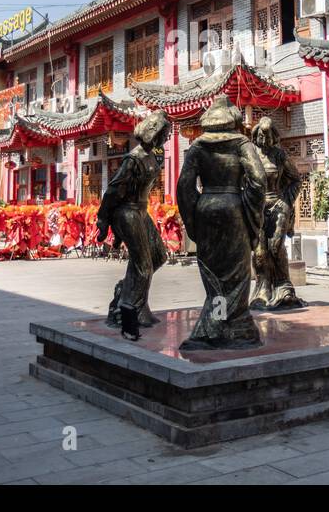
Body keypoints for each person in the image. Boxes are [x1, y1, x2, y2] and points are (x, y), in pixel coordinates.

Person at [176, 95, 266, 350]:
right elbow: (258, 181)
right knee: (236, 272)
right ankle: (233, 327)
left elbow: (184, 186)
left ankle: (216, 325)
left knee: (213, 272)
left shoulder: (197, 146)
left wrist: (193, 218)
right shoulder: (242, 144)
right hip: (233, 207)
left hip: (206, 207)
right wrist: (252, 213)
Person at [98, 111, 171, 340]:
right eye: (164, 134)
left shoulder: (152, 156)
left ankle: (126, 291)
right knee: (144, 265)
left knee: (158, 255)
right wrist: (103, 218)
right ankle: (129, 309)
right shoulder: (134, 158)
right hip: (127, 213)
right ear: (154, 134)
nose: (166, 138)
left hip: (141, 211)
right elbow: (112, 189)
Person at [250, 116, 305, 310]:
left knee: (275, 246)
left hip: (278, 206)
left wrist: (286, 201)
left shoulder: (280, 155)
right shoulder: (250, 155)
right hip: (256, 208)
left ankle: (283, 287)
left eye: (267, 135)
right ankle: (263, 288)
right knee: (259, 252)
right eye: (260, 135)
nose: (263, 139)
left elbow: (296, 180)